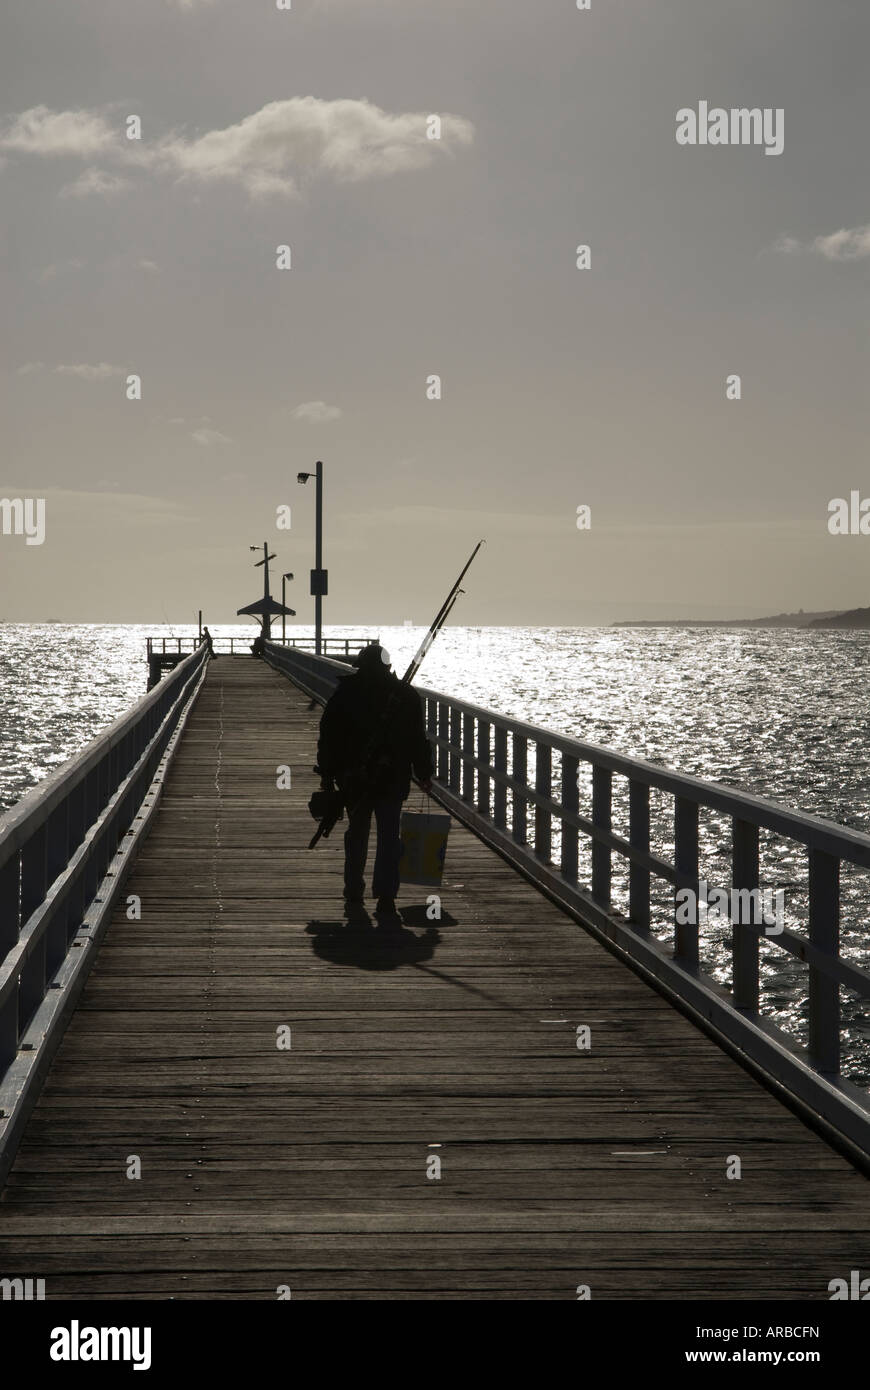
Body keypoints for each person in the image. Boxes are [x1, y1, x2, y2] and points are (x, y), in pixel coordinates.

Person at [316, 643, 434, 919]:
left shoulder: (346, 693)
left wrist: (328, 773)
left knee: (357, 832)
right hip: (393, 777)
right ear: (388, 666)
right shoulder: (405, 695)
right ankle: (386, 896)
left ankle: (354, 889)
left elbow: (329, 735)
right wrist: (424, 773)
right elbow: (418, 739)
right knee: (389, 837)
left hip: (353, 777)